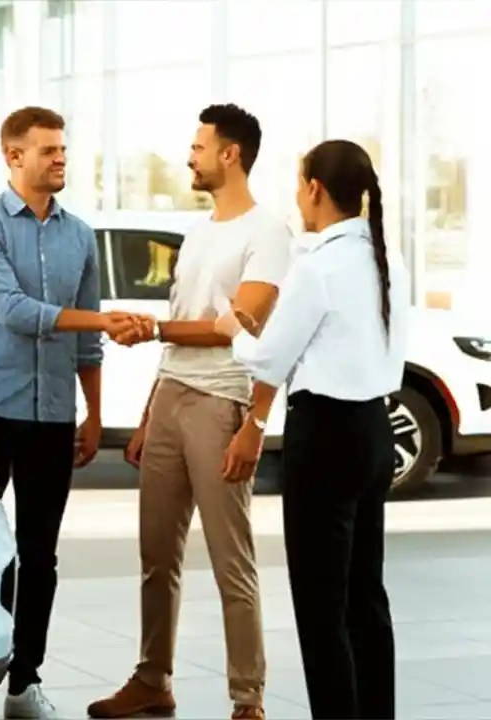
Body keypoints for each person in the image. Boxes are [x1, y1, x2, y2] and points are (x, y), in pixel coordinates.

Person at [87, 103, 291, 720]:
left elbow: (238, 326)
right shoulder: (198, 232)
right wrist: (150, 413)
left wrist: (253, 424)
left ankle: (248, 700)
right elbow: (182, 329)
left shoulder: (268, 233)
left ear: (231, 154)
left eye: (199, 148)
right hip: (172, 397)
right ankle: (152, 680)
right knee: (156, 557)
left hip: (222, 402)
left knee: (232, 561)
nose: (190, 157)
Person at [0, 105, 149, 719]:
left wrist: (94, 414)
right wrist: (104, 320)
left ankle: (23, 683)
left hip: (53, 416)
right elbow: (14, 311)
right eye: (48, 150)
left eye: (63, 148)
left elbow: (87, 342)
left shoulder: (79, 235)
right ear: (14, 156)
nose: (61, 158)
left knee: (40, 556)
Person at [214, 139, 406, 719]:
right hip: (375, 429)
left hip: (325, 436)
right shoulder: (385, 260)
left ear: (315, 189)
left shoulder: (318, 267)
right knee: (365, 597)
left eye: (300, 185)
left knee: (322, 607)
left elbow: (268, 358)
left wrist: (232, 328)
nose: (298, 196)